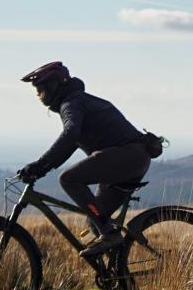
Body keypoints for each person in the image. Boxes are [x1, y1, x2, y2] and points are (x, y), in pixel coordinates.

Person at [15, 61, 150, 258]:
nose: (39, 95)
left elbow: (70, 135)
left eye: (40, 90)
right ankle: (119, 281)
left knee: (68, 179)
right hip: (132, 158)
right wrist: (43, 167)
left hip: (127, 156)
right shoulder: (77, 101)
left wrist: (40, 164)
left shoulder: (72, 103)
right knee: (95, 220)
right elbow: (71, 144)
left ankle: (109, 235)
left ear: (54, 86)